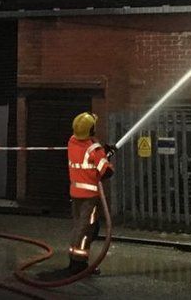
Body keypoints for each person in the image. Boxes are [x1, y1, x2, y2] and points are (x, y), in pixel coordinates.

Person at [65, 111, 115, 276]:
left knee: (78, 226)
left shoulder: (72, 142)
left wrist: (103, 150)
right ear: (91, 130)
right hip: (89, 197)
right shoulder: (94, 148)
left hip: (75, 194)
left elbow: (86, 156)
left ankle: (73, 259)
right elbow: (106, 172)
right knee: (87, 230)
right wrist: (106, 156)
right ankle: (79, 265)